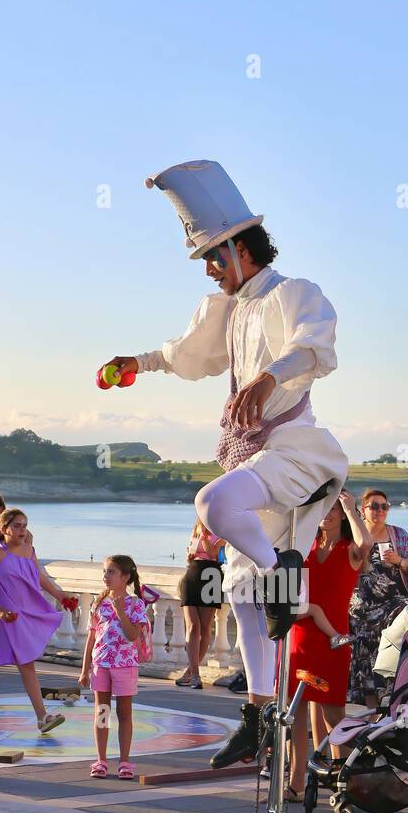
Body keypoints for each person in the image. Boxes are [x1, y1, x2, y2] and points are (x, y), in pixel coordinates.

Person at [102, 160, 347, 769]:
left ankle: (285, 582)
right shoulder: (229, 310)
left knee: (212, 505)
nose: (211, 269)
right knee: (239, 592)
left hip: (293, 449)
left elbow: (314, 346)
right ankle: (260, 715)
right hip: (253, 451)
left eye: (214, 256)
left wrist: (268, 378)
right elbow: (185, 353)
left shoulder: (292, 293)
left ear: (241, 248)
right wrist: (138, 363)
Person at [286, 491, 372, 799]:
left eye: (333, 508)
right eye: (325, 508)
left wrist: (351, 508)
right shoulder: (305, 547)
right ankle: (296, 780)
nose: (328, 513)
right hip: (301, 635)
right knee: (293, 712)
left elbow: (367, 544)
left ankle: (344, 777)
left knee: (332, 714)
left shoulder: (351, 550)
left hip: (334, 641)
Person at [0, 507, 68, 733]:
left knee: (26, 661)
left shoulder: (29, 550)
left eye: (24, 525)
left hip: (19, 615)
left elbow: (38, 576)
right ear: (4, 528)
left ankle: (42, 717)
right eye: (17, 526)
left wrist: (58, 594)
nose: (22, 530)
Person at [348, 489, 408, 706]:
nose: (380, 511)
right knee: (364, 662)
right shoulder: (355, 533)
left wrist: (400, 561)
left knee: (389, 650)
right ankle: (369, 715)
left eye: (384, 507)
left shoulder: (398, 535)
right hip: (361, 607)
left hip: (392, 605)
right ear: (363, 510)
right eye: (374, 506)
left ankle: (388, 705)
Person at [78, 554, 149, 779]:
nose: (106, 576)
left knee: (124, 713)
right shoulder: (99, 602)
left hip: (125, 665)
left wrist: (120, 611)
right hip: (101, 664)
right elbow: (91, 637)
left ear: (125, 577)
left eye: (111, 572)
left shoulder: (136, 604)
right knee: (102, 712)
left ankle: (125, 761)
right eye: (105, 572)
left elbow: (131, 635)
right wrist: (84, 669)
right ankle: (101, 760)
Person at [176, 519, 224, 689]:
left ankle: (190, 672)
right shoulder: (195, 528)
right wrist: (189, 555)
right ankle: (195, 675)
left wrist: (203, 536)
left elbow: (212, 553)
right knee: (192, 627)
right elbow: (191, 555)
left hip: (212, 576)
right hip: (193, 573)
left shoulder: (222, 529)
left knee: (205, 628)